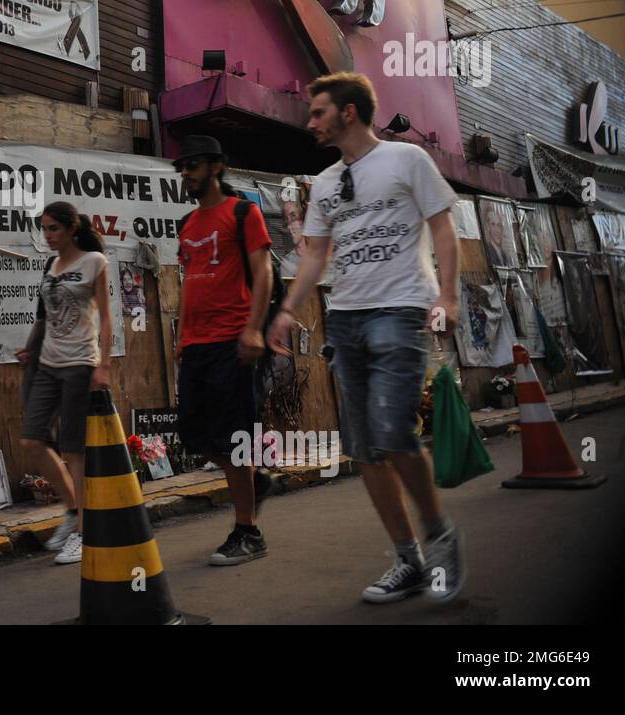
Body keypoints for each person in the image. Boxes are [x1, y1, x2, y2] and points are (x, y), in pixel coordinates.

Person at [266, 72, 466, 604]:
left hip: (400, 309)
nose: (311, 121)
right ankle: (408, 560)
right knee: (366, 449)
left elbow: (443, 229)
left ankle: (440, 534)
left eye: (319, 112)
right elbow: (315, 255)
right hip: (347, 318)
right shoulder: (327, 182)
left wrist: (449, 297)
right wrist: (287, 308)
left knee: (394, 432)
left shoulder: (407, 161)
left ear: (348, 112)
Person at [173, 135, 275, 566]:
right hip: (195, 343)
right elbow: (188, 280)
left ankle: (248, 531)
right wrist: (179, 338)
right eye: (182, 168)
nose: (186, 175)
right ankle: (254, 482)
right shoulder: (187, 223)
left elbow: (264, 273)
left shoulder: (243, 212)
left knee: (234, 441)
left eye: (192, 166)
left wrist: (253, 330)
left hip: (232, 340)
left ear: (215, 166)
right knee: (196, 437)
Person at [14, 201, 113, 566]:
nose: (48, 235)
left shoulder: (94, 263)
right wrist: (29, 348)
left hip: (79, 364)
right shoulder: (51, 265)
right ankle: (72, 509)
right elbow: (43, 317)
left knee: (74, 450)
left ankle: (84, 533)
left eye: (54, 228)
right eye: (44, 229)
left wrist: (103, 365)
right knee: (31, 439)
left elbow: (105, 318)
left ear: (72, 228)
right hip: (47, 364)